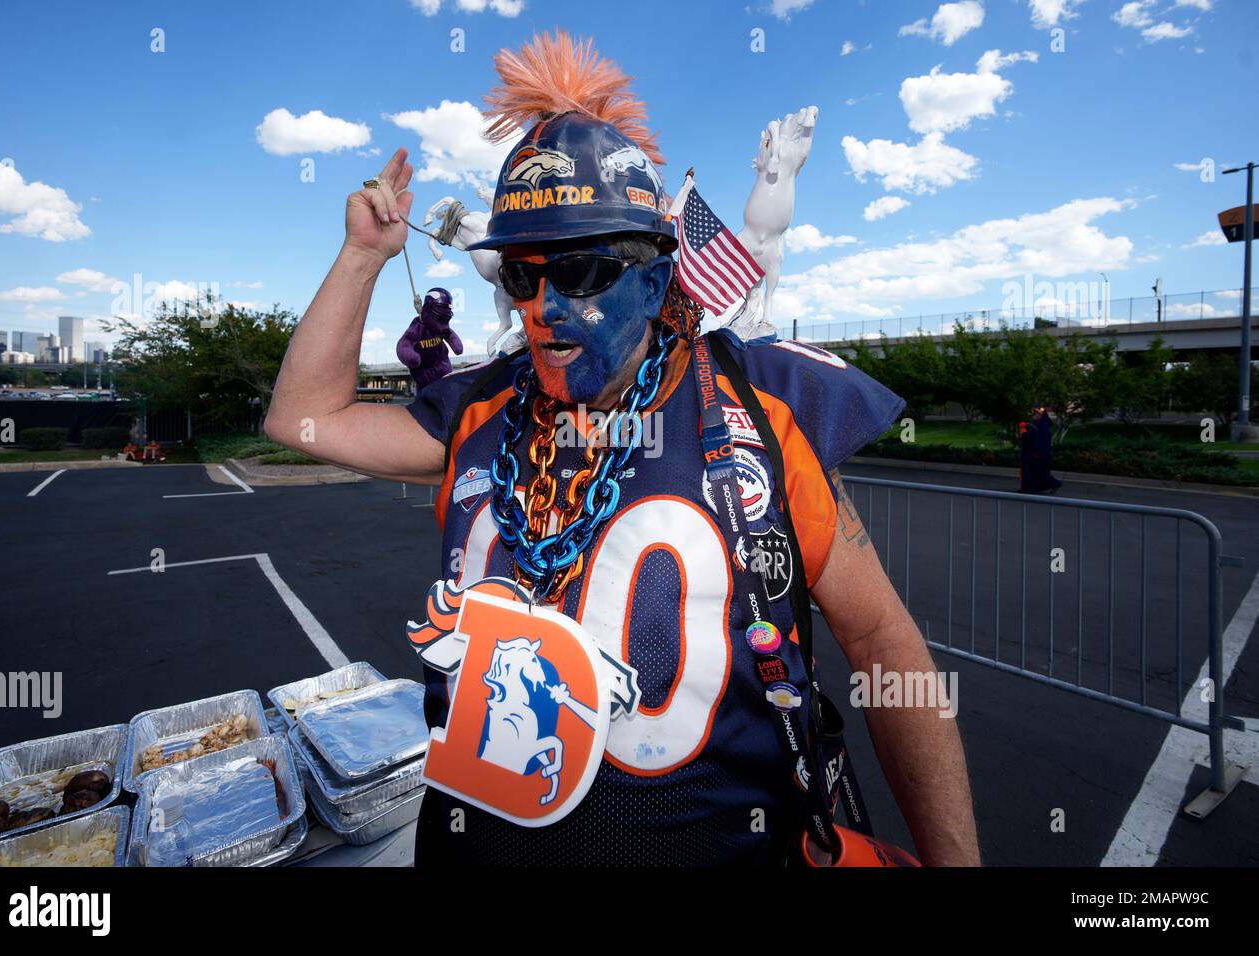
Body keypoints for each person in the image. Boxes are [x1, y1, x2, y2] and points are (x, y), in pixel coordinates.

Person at [265, 32, 979, 867]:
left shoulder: (759, 408)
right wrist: (361, 257)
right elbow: (303, 419)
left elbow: (882, 643)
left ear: (654, 272)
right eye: (524, 277)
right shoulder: (482, 408)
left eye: (584, 272)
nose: (545, 307)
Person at [1019, 403, 1062, 494]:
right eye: (1033, 413)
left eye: (1035, 413)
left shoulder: (1043, 426)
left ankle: (1056, 484)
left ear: (1040, 415)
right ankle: (1027, 488)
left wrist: (1036, 452)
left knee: (1042, 473)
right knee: (1029, 472)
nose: (1033, 415)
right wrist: (1024, 434)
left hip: (1040, 455)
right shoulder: (1034, 425)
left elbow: (1042, 442)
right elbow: (1029, 438)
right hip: (1030, 453)